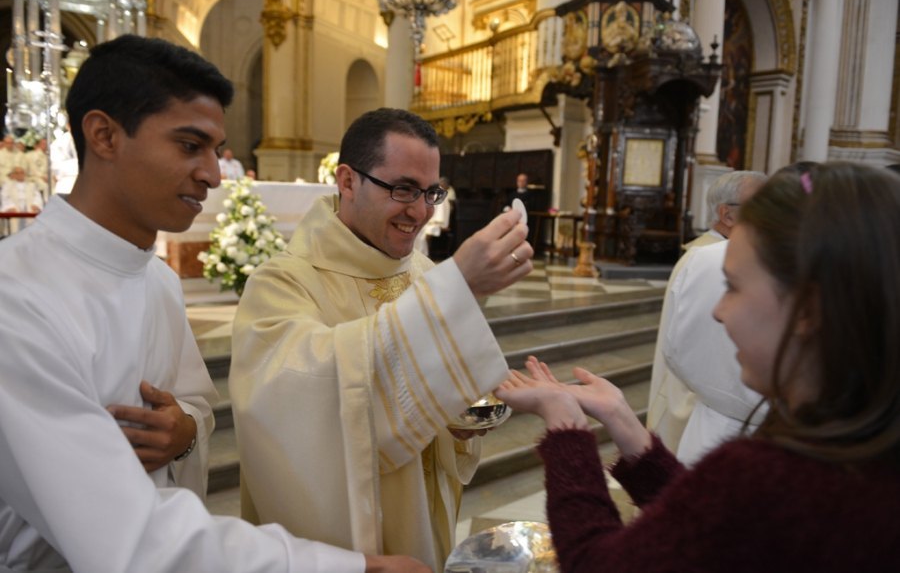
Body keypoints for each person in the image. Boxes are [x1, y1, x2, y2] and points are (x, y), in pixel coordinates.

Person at [0, 35, 428, 573]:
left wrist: (184, 432)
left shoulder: (156, 280)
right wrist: (355, 567)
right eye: (188, 145)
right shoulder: (15, 298)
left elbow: (195, 407)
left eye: (214, 148)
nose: (211, 171)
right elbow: (129, 537)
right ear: (104, 135)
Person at [495, 162, 900, 571]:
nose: (720, 313)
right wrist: (623, 420)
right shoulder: (865, 450)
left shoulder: (773, 474)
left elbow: (598, 565)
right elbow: (719, 535)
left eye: (735, 287)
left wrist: (565, 425)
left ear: (807, 308)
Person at [230, 107, 534, 570]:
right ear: (348, 181)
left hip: (423, 513)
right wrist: (457, 288)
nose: (422, 211)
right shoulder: (281, 284)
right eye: (403, 189)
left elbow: (431, 402)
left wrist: (456, 421)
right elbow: (292, 410)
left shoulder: (425, 274)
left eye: (431, 191)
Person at [646, 170, 765, 451]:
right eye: (761, 207)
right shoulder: (712, 260)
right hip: (703, 405)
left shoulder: (729, 254)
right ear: (728, 215)